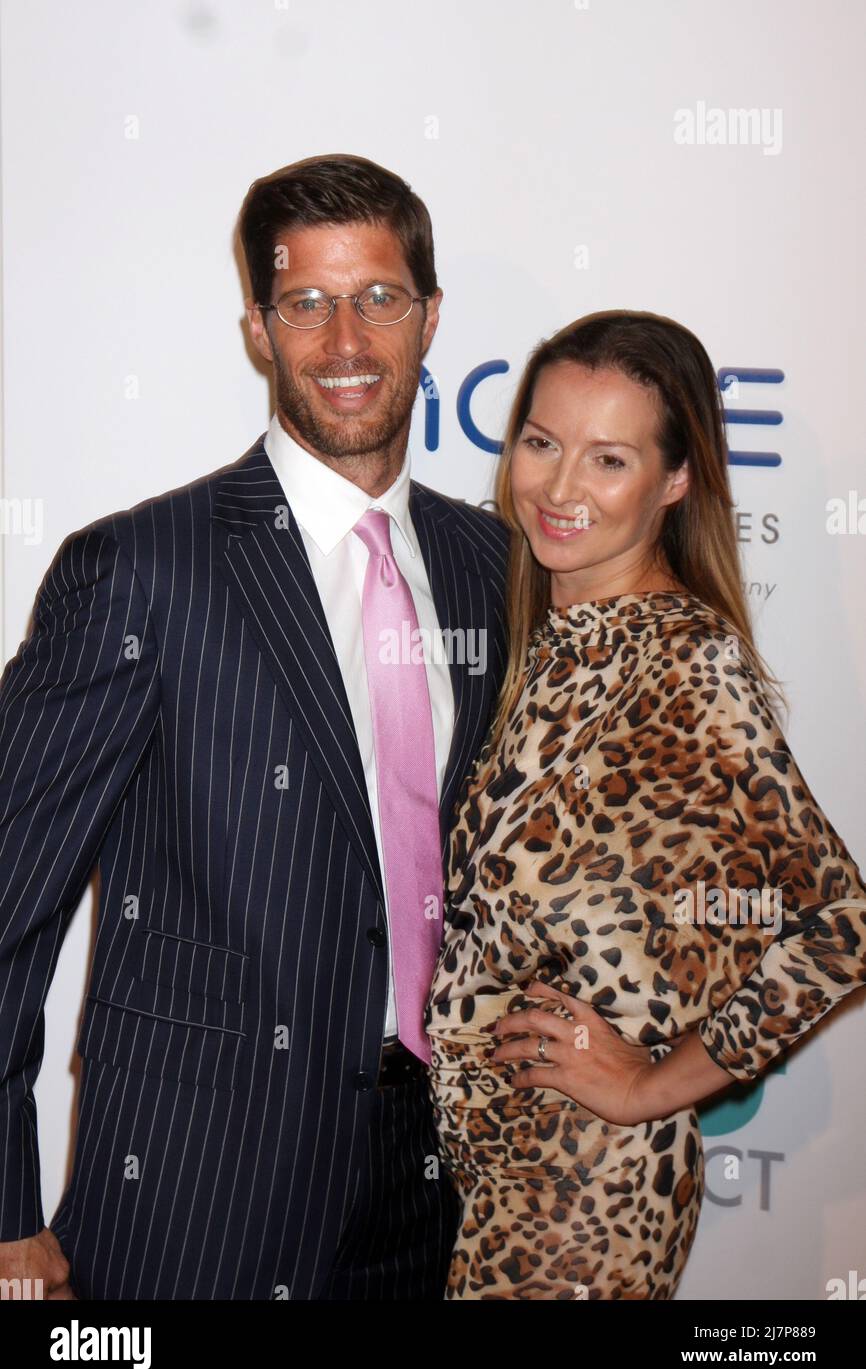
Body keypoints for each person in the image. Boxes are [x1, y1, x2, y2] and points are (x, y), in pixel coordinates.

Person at [0, 153, 509, 1300]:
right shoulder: (141, 570)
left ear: (429, 318)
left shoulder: (493, 568)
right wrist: (3, 1215)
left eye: (377, 297)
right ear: (256, 329)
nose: (344, 341)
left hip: (442, 1179)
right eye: (305, 303)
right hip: (200, 1184)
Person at [426, 309, 866, 1300]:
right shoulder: (549, 639)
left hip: (581, 1199)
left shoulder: (683, 659)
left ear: (674, 482)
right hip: (493, 1182)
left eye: (608, 460)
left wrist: (648, 1083)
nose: (558, 487)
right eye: (540, 442)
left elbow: (838, 924)